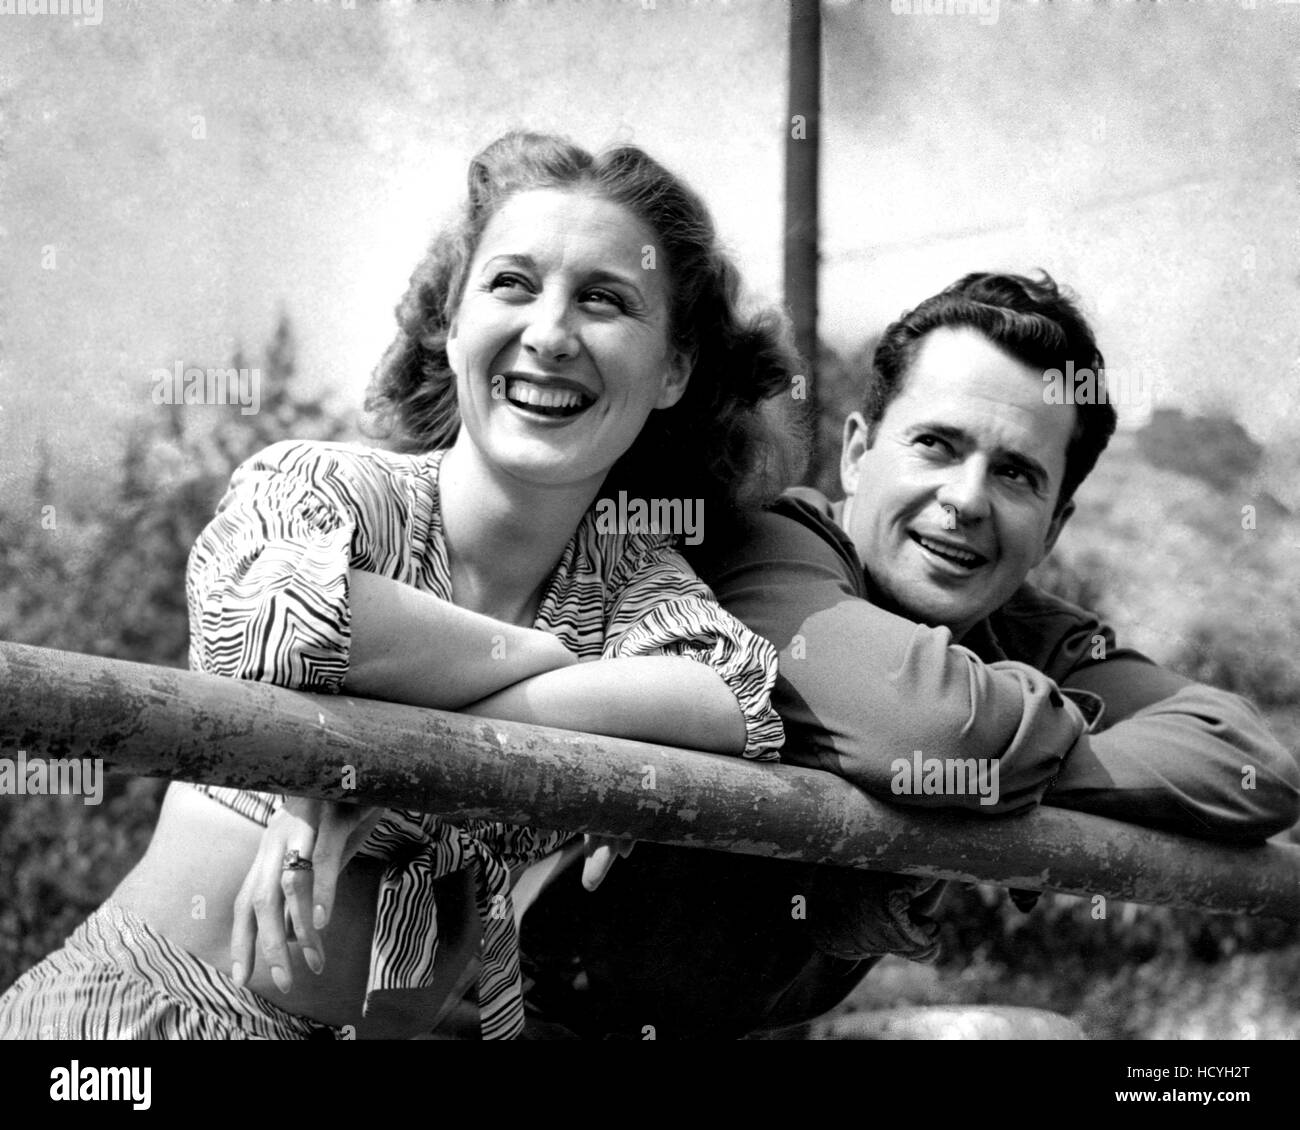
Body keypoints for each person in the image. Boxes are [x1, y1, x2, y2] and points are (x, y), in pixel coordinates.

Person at [0, 131, 802, 1041]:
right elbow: (265, 621)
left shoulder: (626, 581)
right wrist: (537, 661)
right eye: (511, 284)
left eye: (605, 300)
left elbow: (742, 697)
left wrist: (390, 761)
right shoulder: (335, 489)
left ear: (674, 370)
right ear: (453, 325)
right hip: (143, 1026)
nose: (549, 333)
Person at [520, 270, 1300, 1040]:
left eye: (1016, 474)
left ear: (1054, 526)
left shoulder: (1014, 624)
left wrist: (1012, 756)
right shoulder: (770, 548)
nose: (966, 500)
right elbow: (933, 729)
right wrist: (1002, 756)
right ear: (858, 453)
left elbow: (1248, 761)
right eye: (936, 444)